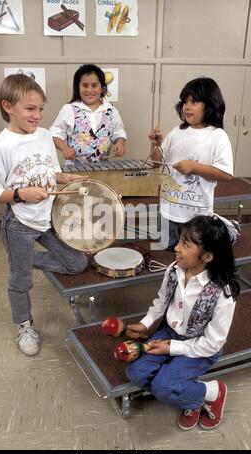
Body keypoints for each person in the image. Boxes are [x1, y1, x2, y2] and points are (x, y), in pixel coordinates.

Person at [0, 74, 88, 357]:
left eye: (41, 108)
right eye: (30, 109)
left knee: (76, 262)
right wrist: (20, 194)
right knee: (21, 281)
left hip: (46, 219)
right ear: (8, 106)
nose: (38, 115)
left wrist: (66, 178)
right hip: (19, 224)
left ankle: (24, 260)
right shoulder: (0, 147)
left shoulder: (43, 136)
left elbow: (49, 171)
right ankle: (24, 325)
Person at [126, 215, 240, 431]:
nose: (176, 248)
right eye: (179, 241)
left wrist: (173, 349)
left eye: (185, 245)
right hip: (170, 332)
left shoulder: (223, 293)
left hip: (200, 347)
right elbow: (162, 300)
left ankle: (212, 393)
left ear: (207, 256)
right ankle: (185, 394)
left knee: (163, 386)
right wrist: (146, 323)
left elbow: (213, 343)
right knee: (135, 373)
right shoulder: (174, 269)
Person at [148, 77, 234, 248]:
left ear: (210, 105)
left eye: (193, 102)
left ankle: (228, 230)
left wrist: (194, 167)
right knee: (168, 246)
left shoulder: (217, 135)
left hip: (196, 213)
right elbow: (157, 162)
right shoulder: (176, 132)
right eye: (185, 101)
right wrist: (155, 145)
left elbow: (226, 174)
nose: (187, 106)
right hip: (168, 210)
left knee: (197, 251)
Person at [50, 63, 127, 164]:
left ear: (102, 88)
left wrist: (120, 143)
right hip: (74, 171)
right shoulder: (68, 109)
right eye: (85, 85)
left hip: (103, 170)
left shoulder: (112, 111)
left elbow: (119, 133)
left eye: (94, 85)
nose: (89, 90)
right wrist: (65, 148)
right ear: (78, 87)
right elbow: (54, 134)